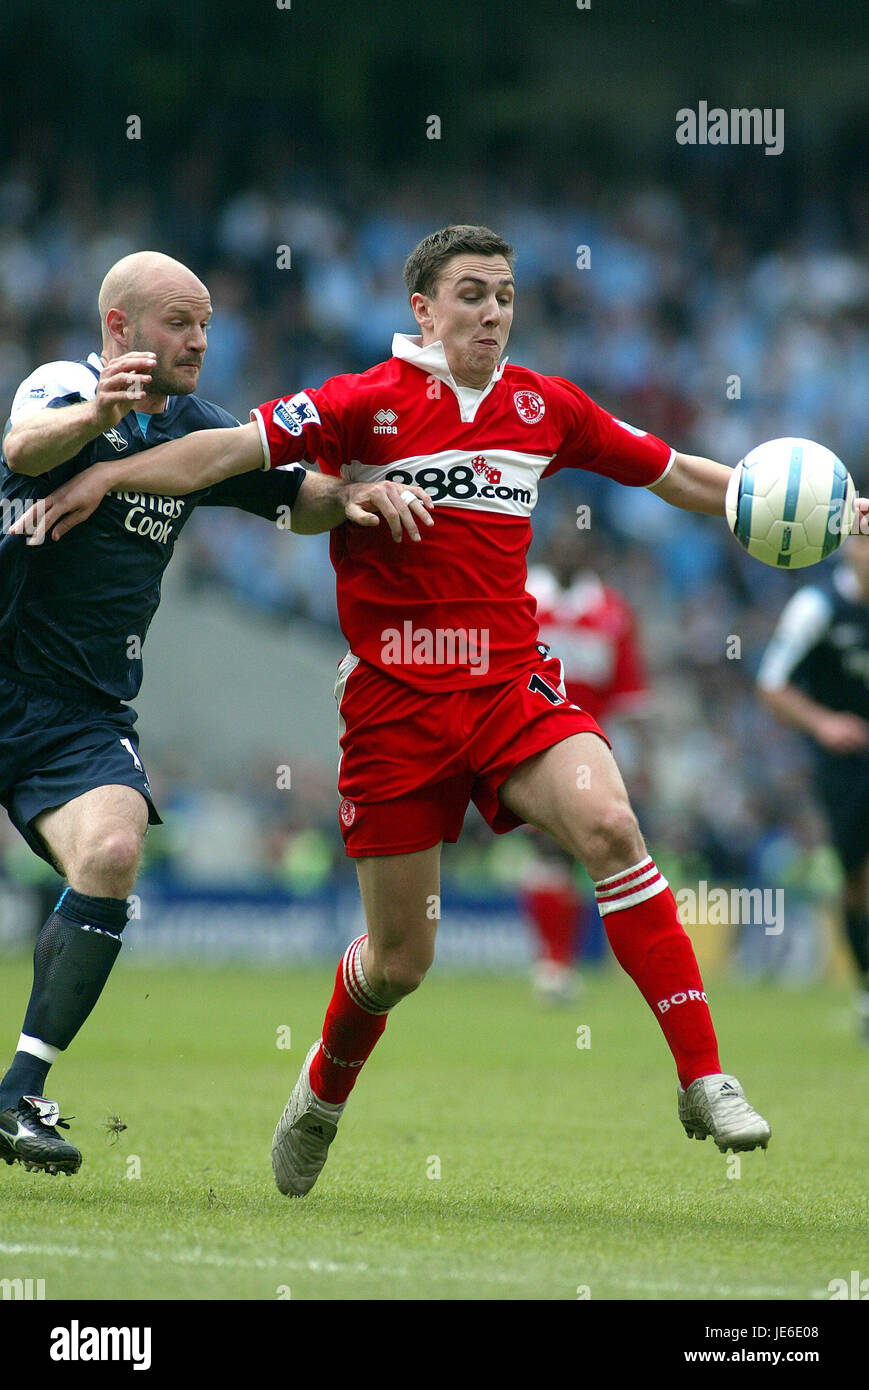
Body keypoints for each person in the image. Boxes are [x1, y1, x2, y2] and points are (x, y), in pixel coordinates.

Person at [21, 224, 774, 1197]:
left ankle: (703, 1074)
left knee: (610, 823)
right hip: (394, 711)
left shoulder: (544, 405)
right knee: (398, 958)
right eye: (470, 293)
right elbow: (225, 454)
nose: (491, 311)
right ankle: (324, 1090)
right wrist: (109, 469)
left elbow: (675, 472)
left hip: (510, 688)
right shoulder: (361, 405)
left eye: (503, 294)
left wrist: (797, 507)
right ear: (421, 309)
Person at [0, 251, 431, 1176]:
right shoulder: (65, 385)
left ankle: (18, 1093)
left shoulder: (197, 431)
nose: (200, 339)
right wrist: (102, 416)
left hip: (78, 713)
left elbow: (294, 501)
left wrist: (351, 496)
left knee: (113, 852)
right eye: (179, 322)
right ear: (119, 329)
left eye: (206, 322)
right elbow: (23, 452)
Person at [523, 529, 652, 1003]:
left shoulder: (613, 613)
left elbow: (629, 695)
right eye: (563, 542)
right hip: (528, 745)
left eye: (580, 543)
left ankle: (568, 961)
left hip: (595, 749)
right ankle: (554, 962)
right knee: (550, 854)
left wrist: (642, 762)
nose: (570, 548)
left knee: (590, 855)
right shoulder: (521, 597)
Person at [757, 533, 869, 1038]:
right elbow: (772, 683)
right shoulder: (818, 606)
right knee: (857, 881)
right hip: (846, 766)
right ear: (850, 549)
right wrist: (823, 723)